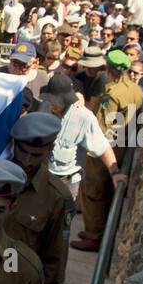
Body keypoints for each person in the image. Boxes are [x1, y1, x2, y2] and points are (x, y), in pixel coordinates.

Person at [5, 113, 74, 284]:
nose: (26, 160)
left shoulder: (56, 197)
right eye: (22, 151)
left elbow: (54, 266)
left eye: (36, 154)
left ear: (50, 149)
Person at [71, 52, 137, 254]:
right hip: (123, 145)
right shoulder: (135, 90)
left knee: (94, 193)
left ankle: (94, 235)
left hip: (105, 150)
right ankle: (99, 231)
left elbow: (103, 126)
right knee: (107, 192)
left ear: (109, 69)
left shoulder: (112, 93)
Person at [43, 73, 107, 202]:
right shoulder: (41, 109)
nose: (54, 105)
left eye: (58, 102)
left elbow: (102, 147)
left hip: (68, 180)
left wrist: (115, 172)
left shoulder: (84, 117)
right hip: (43, 176)